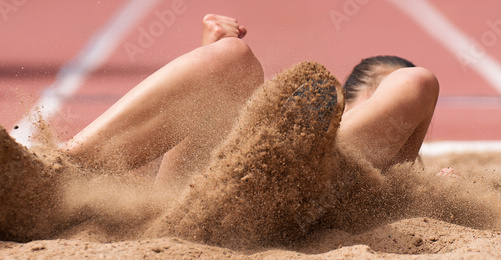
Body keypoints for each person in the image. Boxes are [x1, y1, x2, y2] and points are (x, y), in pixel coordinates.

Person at [61, 14, 439, 189]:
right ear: (346, 102)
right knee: (234, 57)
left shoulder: (401, 170)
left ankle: (315, 154)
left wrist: (435, 187)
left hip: (313, 193)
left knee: (417, 81)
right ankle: (59, 168)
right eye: (380, 99)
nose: (387, 110)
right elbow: (145, 172)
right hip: (202, 190)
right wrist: (210, 58)